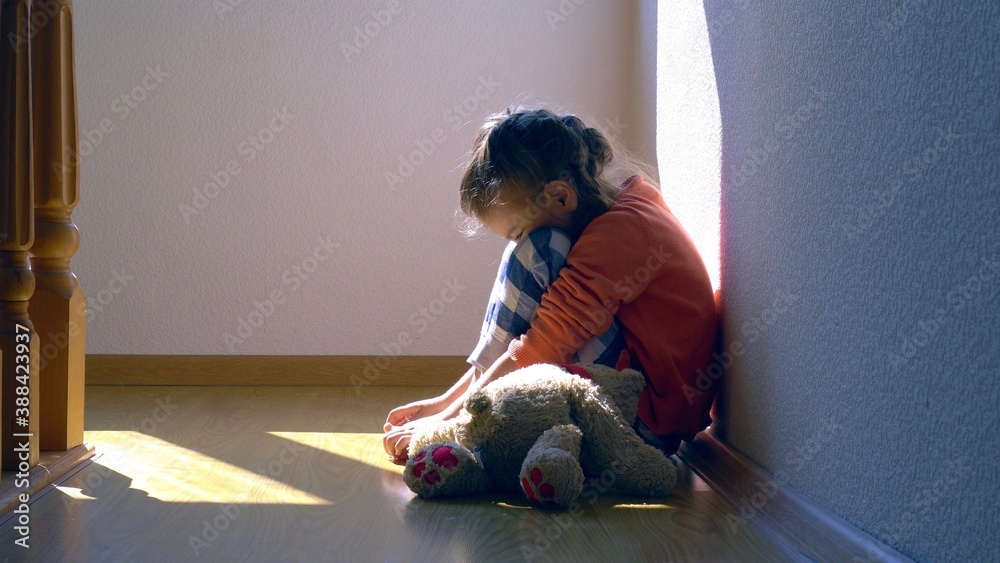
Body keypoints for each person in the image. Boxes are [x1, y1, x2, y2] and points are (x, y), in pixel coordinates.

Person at [383, 106, 718, 464]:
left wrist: (447, 423)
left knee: (539, 250)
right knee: (535, 256)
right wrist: (443, 404)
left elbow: (544, 344)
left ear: (561, 196)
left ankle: (471, 421)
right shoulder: (626, 203)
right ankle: (474, 412)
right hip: (646, 403)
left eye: (518, 230)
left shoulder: (621, 233)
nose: (518, 241)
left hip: (646, 422)